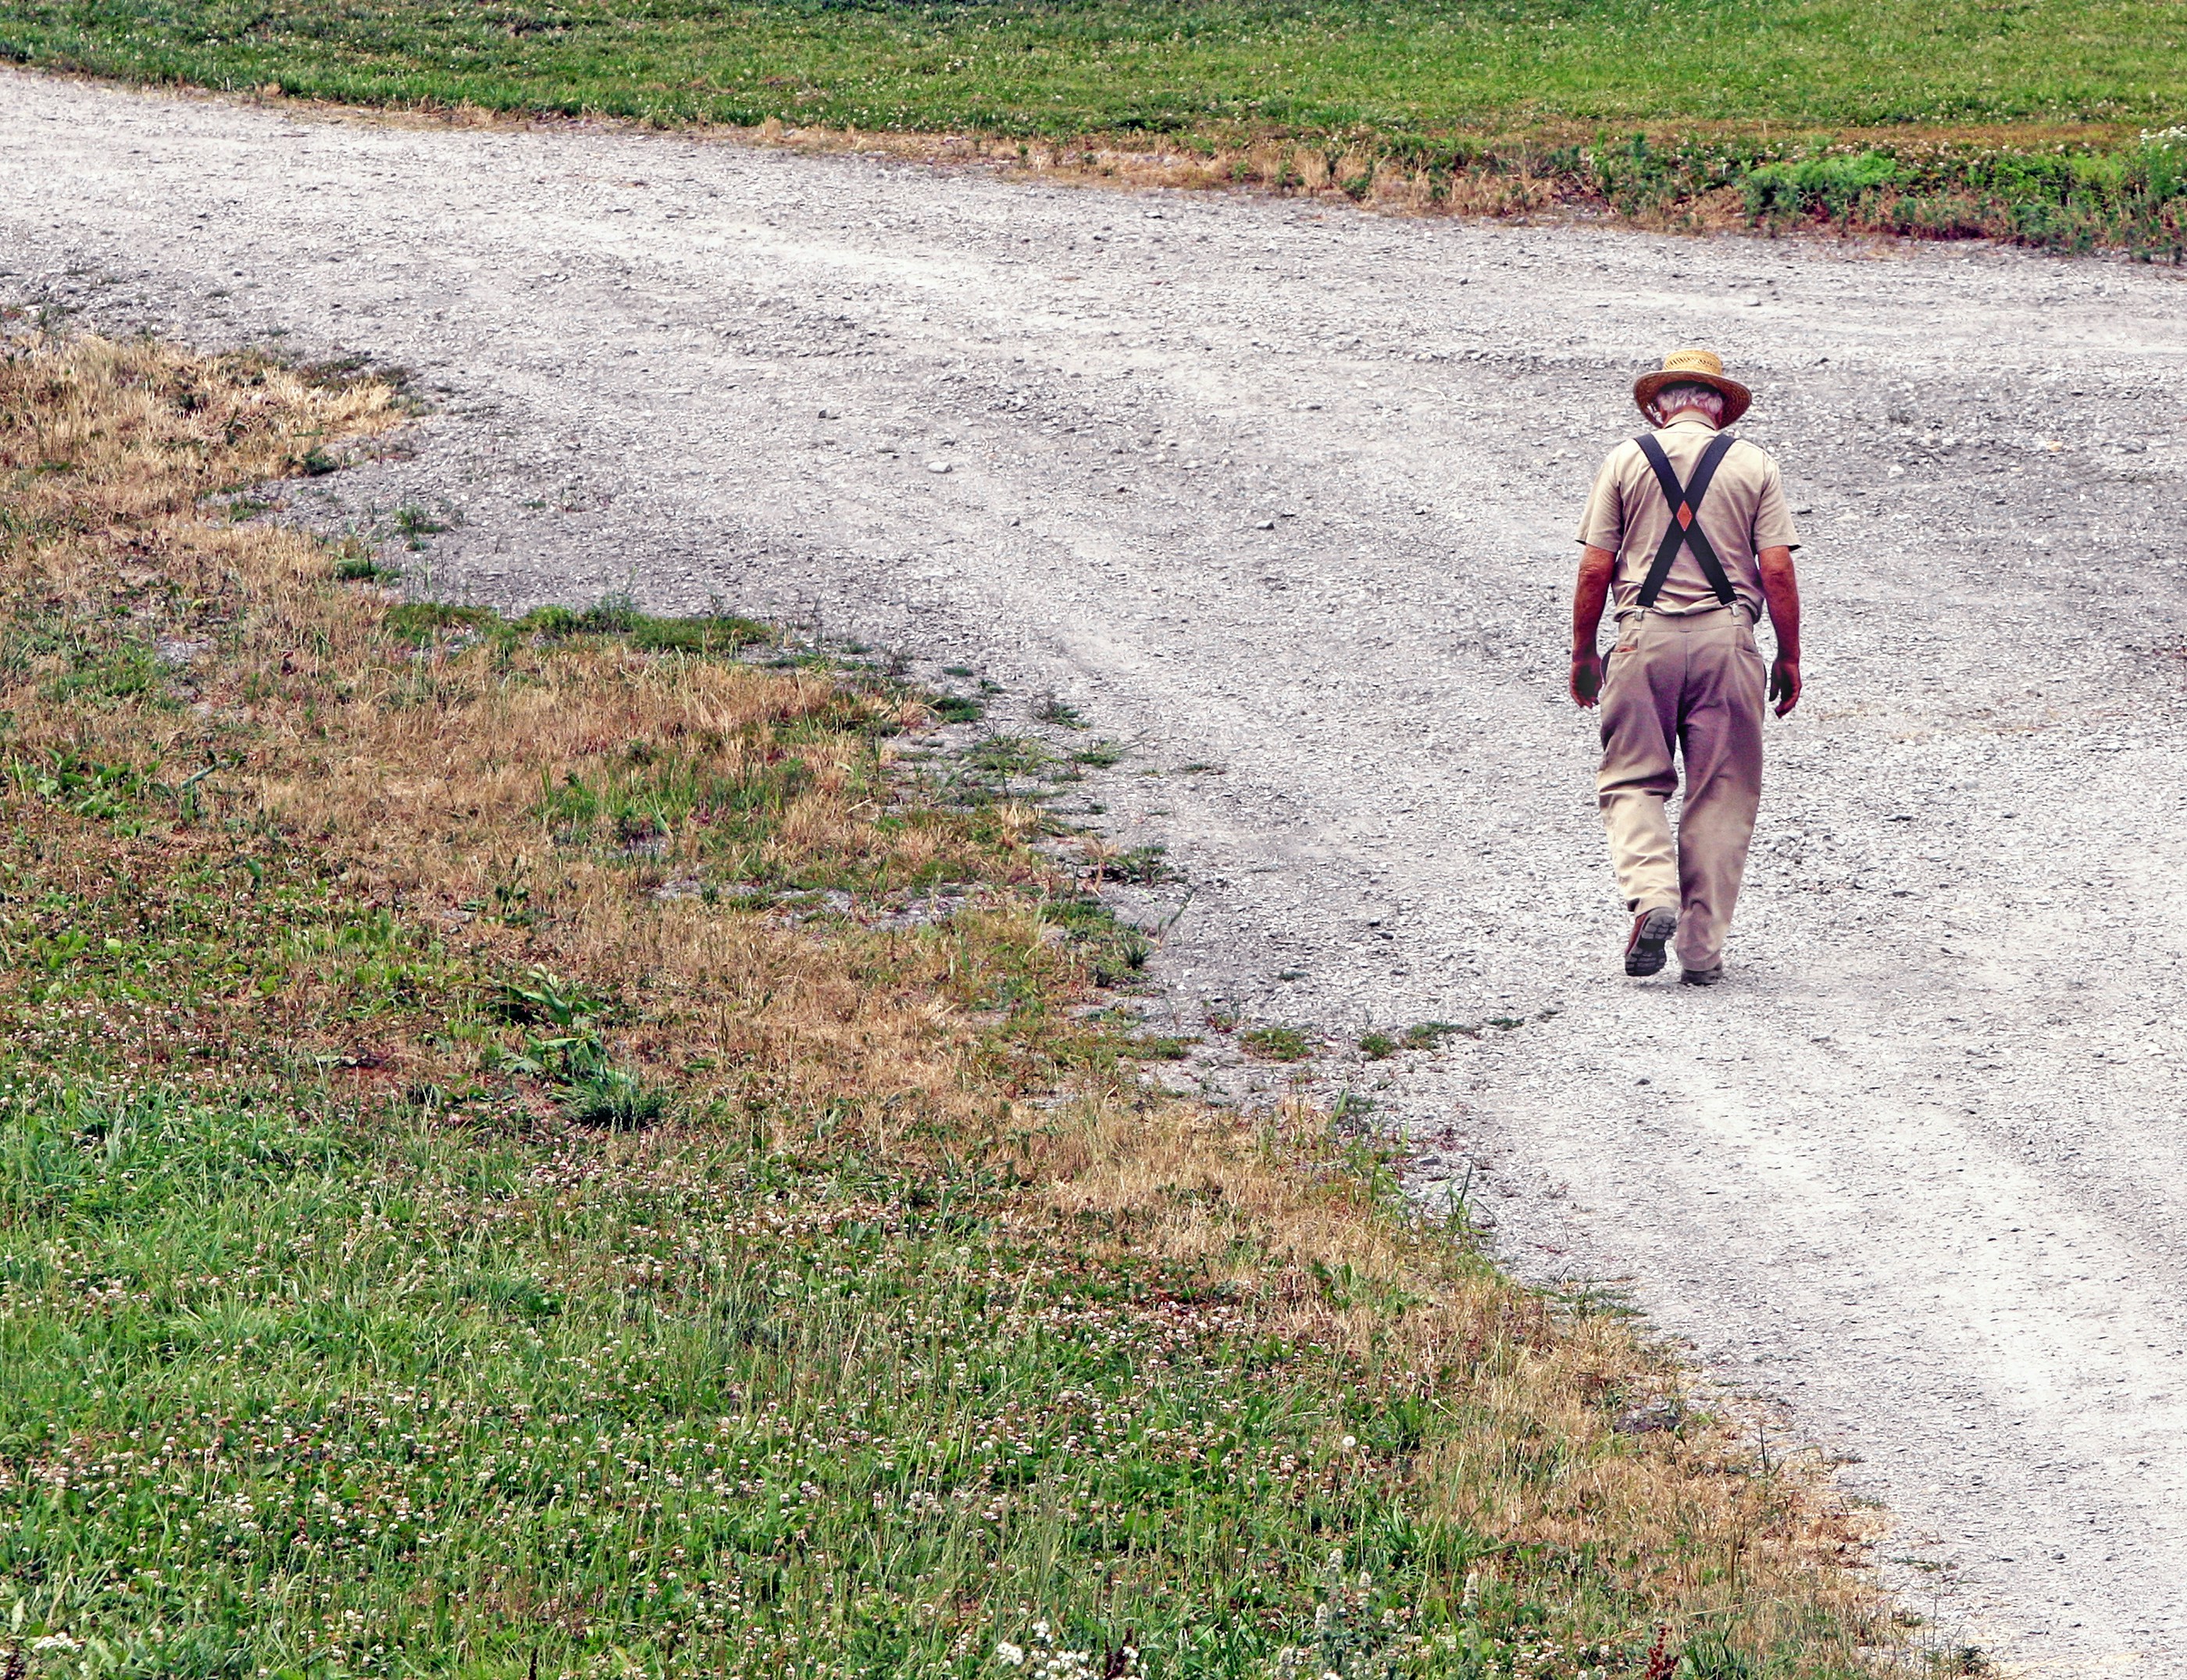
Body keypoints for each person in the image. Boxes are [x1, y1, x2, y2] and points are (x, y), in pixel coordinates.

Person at [1568, 348, 1803, 986]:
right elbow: (1777, 568)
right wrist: (1789, 655)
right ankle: (1701, 953)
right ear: (1720, 406)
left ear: (1658, 406)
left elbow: (1595, 567)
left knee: (1633, 778)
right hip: (1728, 639)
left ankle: (1652, 897)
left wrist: (1584, 652)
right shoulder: (1754, 463)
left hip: (1643, 638)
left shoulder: (1624, 458)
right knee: (1722, 791)